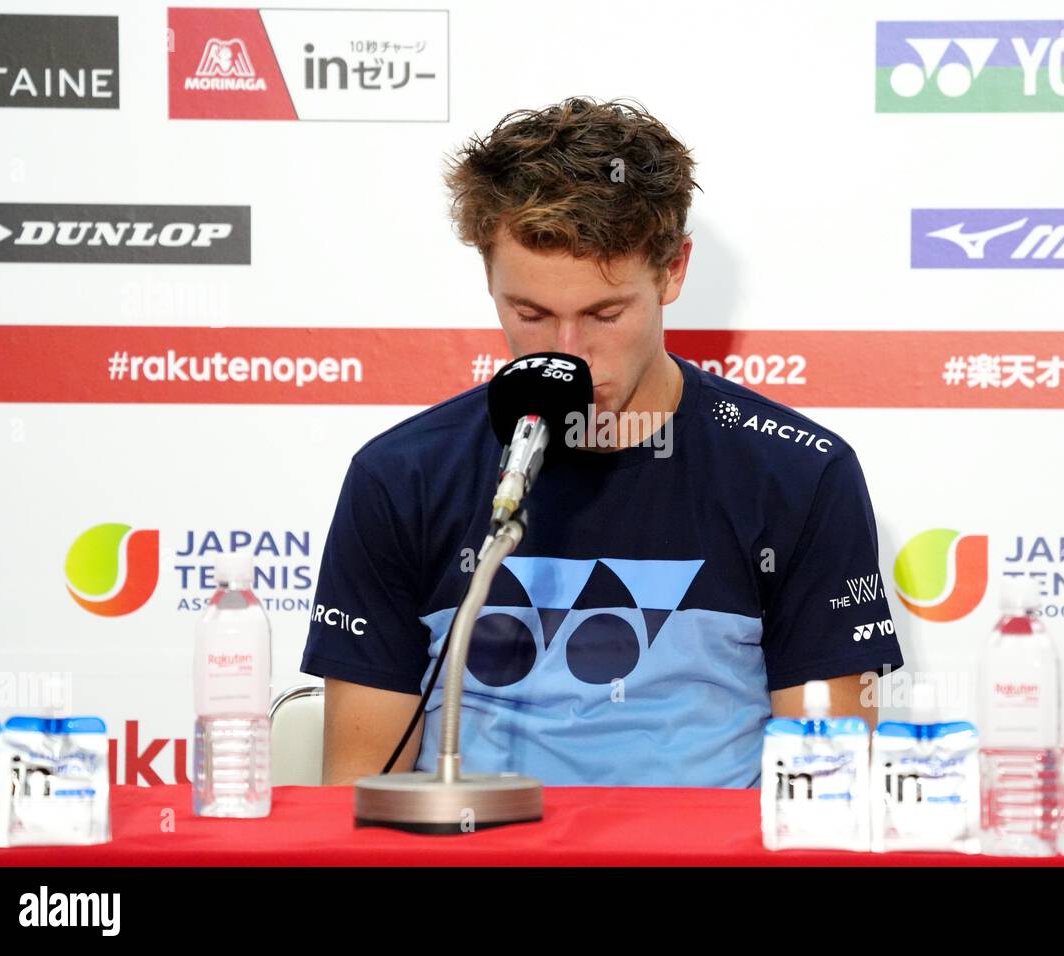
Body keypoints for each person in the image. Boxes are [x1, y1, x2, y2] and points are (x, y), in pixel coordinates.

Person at [301, 96, 905, 786]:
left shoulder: (799, 474)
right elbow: (356, 794)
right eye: (528, 313)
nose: (569, 352)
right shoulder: (401, 476)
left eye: (604, 313)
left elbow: (827, 791)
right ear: (489, 282)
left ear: (673, 271)